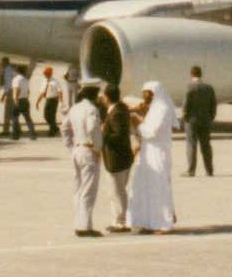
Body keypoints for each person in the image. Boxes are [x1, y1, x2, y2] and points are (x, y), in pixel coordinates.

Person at [128, 81, 178, 233]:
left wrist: (138, 122)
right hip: (147, 152)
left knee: (158, 187)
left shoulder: (162, 108)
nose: (145, 97)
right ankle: (146, 222)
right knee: (143, 186)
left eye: (148, 93)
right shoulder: (153, 109)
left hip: (158, 152)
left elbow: (151, 132)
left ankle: (163, 223)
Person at [65, 81, 104, 236]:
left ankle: (79, 222)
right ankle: (84, 226)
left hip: (77, 149)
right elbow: (93, 127)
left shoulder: (74, 108)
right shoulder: (91, 109)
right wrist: (96, 148)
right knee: (89, 190)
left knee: (78, 189)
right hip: (88, 150)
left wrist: (70, 146)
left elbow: (64, 128)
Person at [100, 85, 134, 232]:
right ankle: (118, 220)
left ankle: (122, 221)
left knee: (118, 191)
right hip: (121, 157)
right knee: (117, 190)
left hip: (117, 157)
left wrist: (102, 136)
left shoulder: (116, 113)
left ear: (107, 97)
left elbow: (118, 135)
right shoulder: (121, 109)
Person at [183, 65, 218, 177]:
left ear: (191, 74)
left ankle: (191, 170)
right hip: (205, 120)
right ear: (201, 74)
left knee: (191, 145)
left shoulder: (190, 87)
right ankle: (209, 170)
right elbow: (213, 105)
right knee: (206, 146)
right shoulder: (209, 88)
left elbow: (186, 105)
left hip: (192, 121)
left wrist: (185, 118)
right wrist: (211, 117)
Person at [10, 61, 35, 140]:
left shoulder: (16, 80)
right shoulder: (26, 80)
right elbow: (28, 91)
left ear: (17, 71)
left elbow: (16, 90)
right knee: (28, 118)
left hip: (18, 100)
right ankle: (32, 134)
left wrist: (15, 99)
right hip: (25, 99)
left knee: (14, 118)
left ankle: (15, 135)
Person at [40, 66, 63, 136]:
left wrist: (60, 100)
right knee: (46, 115)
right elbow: (42, 92)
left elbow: (59, 91)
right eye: (45, 74)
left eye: (47, 74)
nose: (45, 75)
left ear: (50, 74)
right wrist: (38, 101)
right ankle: (55, 128)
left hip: (54, 100)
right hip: (48, 99)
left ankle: (52, 132)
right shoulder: (44, 81)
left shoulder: (55, 82)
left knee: (52, 116)